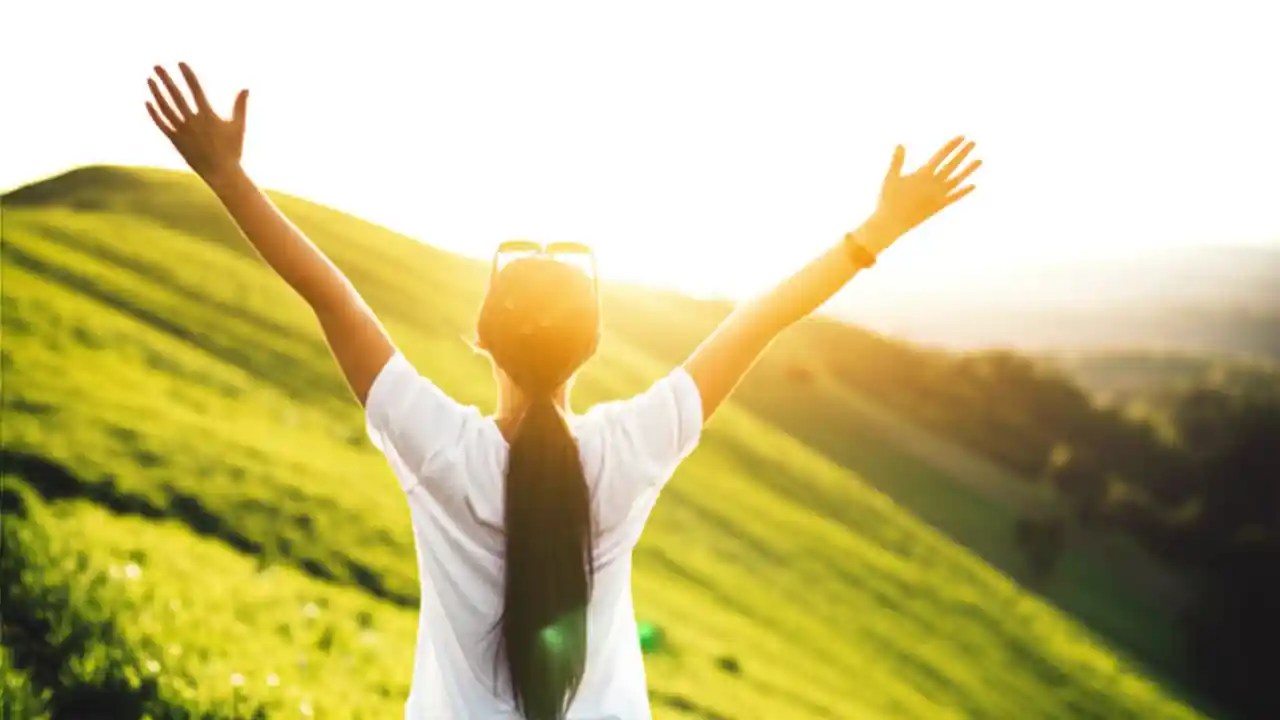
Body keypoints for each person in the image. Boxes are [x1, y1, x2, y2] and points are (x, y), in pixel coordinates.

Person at [145, 62, 981, 720]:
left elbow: (332, 296)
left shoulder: (438, 448)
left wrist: (226, 176)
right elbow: (756, 323)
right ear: (591, 345)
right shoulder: (630, 448)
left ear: (481, 334)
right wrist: (878, 230)